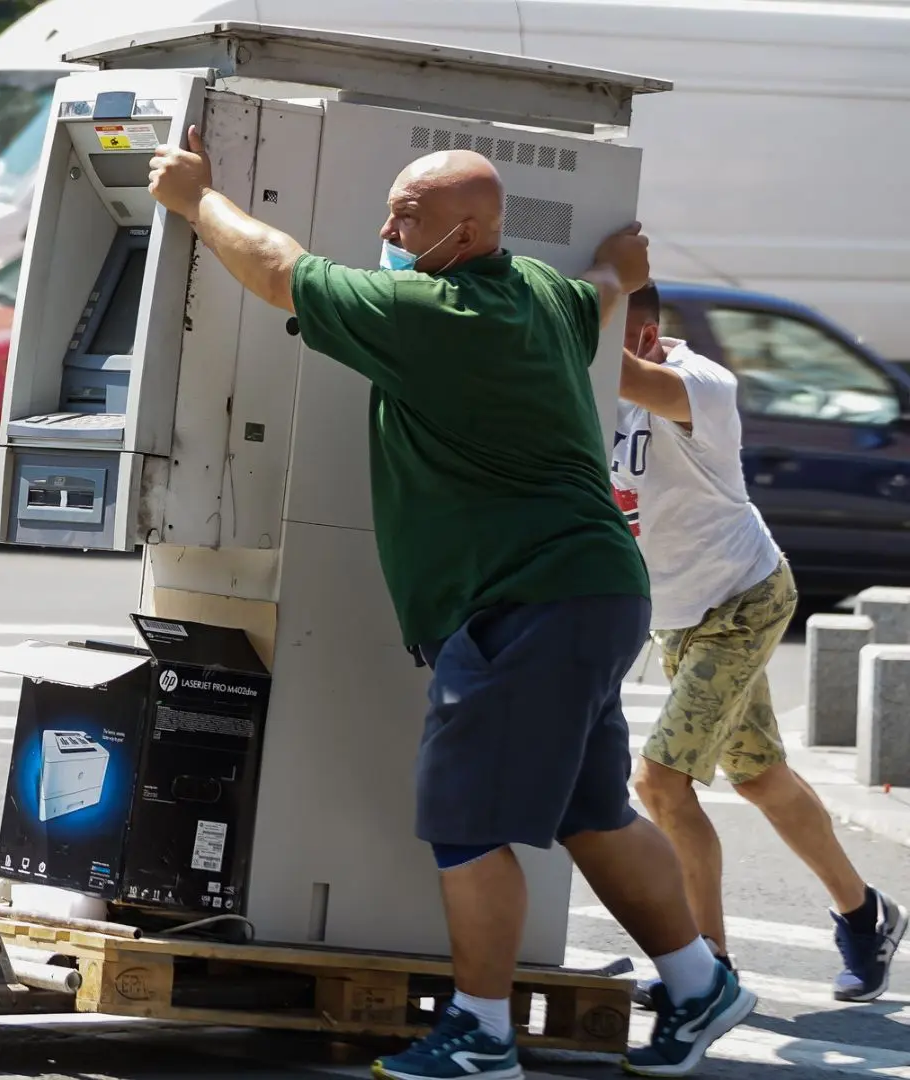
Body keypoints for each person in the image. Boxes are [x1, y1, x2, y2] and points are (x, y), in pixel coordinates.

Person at [147, 135, 752, 1079]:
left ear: (464, 234)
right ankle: (697, 982)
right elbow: (597, 293)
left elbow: (277, 271)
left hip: (525, 603)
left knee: (465, 819)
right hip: (591, 591)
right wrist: (621, 269)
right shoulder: (540, 294)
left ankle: (480, 1032)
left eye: (408, 218)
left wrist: (195, 199)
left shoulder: (429, 314)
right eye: (392, 210)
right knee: (591, 809)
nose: (388, 231)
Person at [614, 283, 904, 1005]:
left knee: (659, 783)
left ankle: (706, 971)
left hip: (742, 600)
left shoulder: (703, 384)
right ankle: (866, 914)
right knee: (759, 777)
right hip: (679, 613)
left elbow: (603, 368)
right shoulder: (598, 391)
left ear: (645, 339)